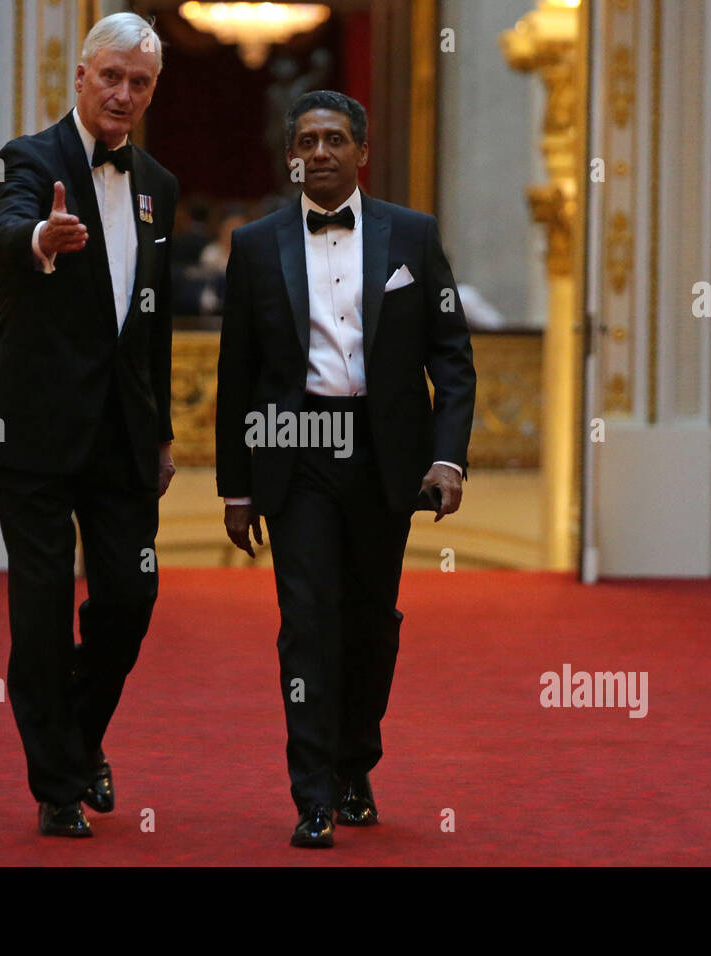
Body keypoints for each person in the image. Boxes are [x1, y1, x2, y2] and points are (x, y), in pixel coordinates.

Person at [215, 90, 476, 846]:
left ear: (362, 151)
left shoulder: (414, 237)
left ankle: (355, 760)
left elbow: (452, 357)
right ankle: (313, 795)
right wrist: (238, 486)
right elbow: (238, 374)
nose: (320, 152)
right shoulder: (257, 244)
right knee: (306, 623)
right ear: (291, 155)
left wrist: (447, 456)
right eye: (306, 140)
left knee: (369, 623)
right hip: (295, 449)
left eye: (334, 139)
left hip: (383, 453)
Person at [0, 13, 178, 837]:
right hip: (35, 426)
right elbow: (1, 228)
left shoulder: (158, 180)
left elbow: (151, 324)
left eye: (141, 82)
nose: (124, 94)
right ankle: (58, 785)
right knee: (44, 600)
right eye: (113, 77)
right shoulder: (30, 159)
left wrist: (160, 430)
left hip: (124, 432)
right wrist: (39, 238)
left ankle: (79, 738)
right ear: (82, 76)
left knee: (132, 593)